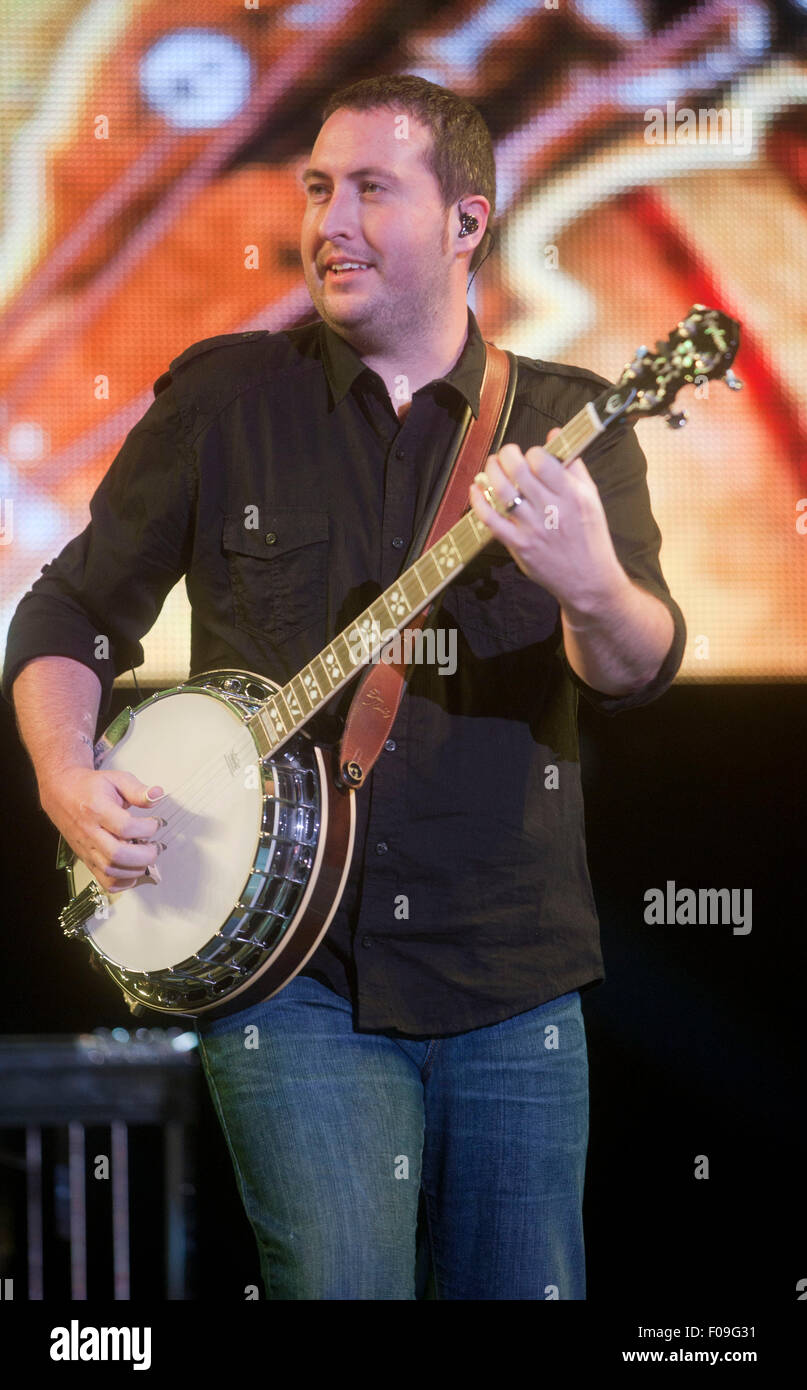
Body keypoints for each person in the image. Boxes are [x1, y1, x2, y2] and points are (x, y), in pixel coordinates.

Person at [3, 74, 685, 1300]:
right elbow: (68, 613)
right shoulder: (225, 400)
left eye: (373, 188)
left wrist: (591, 584)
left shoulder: (571, 421)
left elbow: (634, 669)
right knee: (338, 1280)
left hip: (512, 975)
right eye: (320, 187)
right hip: (289, 978)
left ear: (468, 223)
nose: (331, 220)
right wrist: (64, 774)